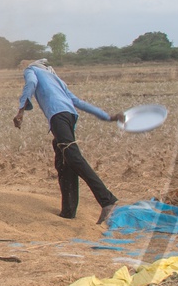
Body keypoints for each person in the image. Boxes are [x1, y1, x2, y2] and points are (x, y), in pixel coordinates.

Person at [12, 59, 123, 223]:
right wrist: (107, 117)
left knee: (74, 157)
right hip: (69, 117)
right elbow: (77, 102)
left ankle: (107, 201)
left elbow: (31, 83)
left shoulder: (31, 70)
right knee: (64, 161)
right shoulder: (55, 78)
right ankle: (68, 211)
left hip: (58, 116)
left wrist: (21, 110)